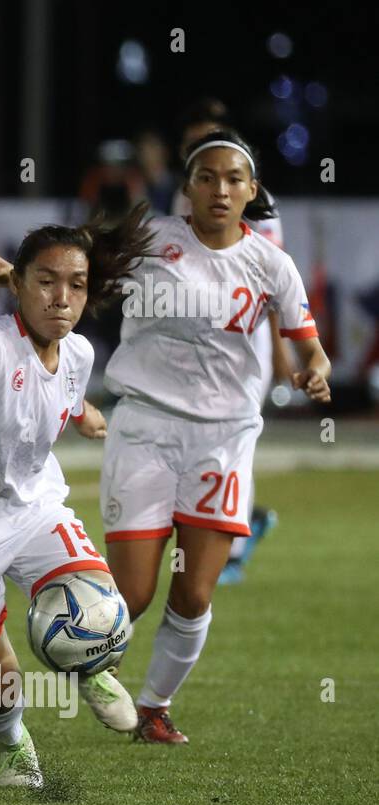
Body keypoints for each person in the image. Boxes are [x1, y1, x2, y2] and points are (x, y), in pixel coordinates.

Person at [0, 205, 152, 789]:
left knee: (96, 599)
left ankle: (91, 668)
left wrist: (84, 413)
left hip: (31, 509)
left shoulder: (81, 353)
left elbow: (58, 394)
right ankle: (13, 745)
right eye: (45, 281)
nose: (61, 297)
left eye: (76, 285)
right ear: (17, 284)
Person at [104, 129, 330, 742]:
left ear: (251, 190)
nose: (220, 189)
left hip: (223, 438)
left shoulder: (270, 263)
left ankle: (153, 708)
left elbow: (309, 345)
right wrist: (11, 276)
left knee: (195, 592)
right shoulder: (148, 238)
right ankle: (89, 655)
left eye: (234, 179)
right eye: (207, 178)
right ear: (188, 188)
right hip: (146, 426)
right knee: (132, 591)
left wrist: (314, 370)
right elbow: (70, 268)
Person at [170, 107, 290, 584]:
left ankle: (233, 547)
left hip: (245, 336)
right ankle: (242, 521)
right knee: (199, 439)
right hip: (200, 339)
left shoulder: (257, 204)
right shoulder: (183, 202)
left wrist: (281, 347)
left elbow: (274, 274)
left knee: (234, 437)